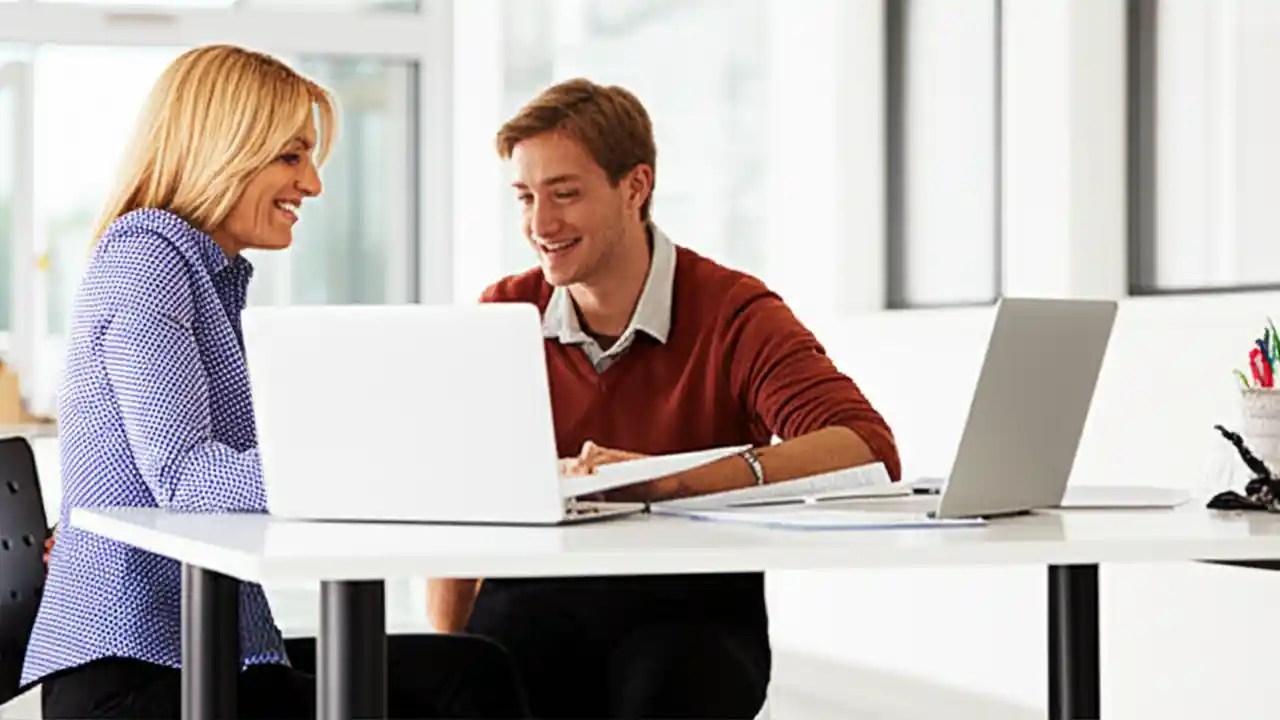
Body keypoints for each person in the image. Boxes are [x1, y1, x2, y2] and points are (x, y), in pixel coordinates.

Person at [24, 45, 529, 720]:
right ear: (223, 149)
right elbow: (187, 478)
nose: (312, 184)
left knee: (470, 670)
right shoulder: (146, 262)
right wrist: (371, 471)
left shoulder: (206, 275)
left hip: (207, 650)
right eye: (291, 156)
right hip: (131, 675)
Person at [427, 78, 902, 719]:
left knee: (670, 683)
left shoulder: (733, 311)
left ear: (635, 187)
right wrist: (447, 655)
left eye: (565, 194)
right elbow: (459, 491)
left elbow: (866, 448)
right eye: (526, 198)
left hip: (691, 611)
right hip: (535, 604)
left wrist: (669, 481)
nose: (540, 225)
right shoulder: (505, 312)